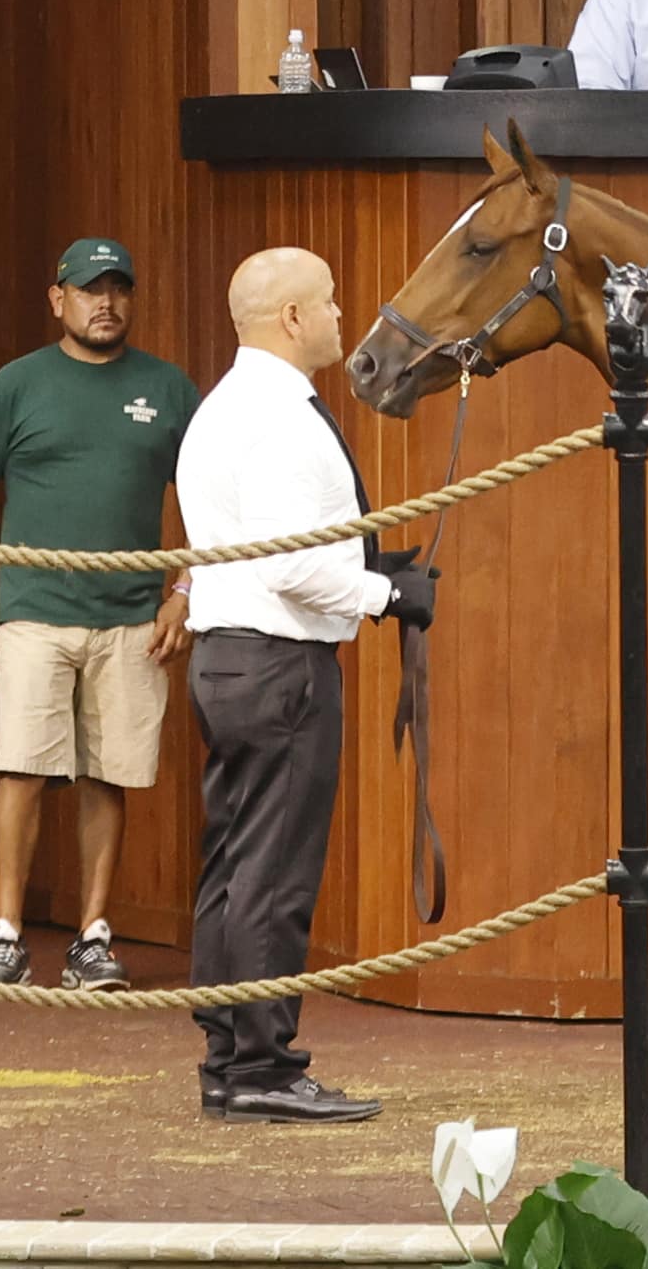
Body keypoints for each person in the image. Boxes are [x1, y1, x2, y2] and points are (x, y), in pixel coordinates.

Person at [176, 246, 436, 1125]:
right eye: (328, 302)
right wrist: (385, 593)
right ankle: (263, 1066)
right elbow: (291, 570)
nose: (339, 316)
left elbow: (281, 549)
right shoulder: (281, 419)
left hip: (229, 656)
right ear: (291, 318)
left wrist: (366, 566)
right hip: (278, 662)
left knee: (233, 864)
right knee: (274, 873)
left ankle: (229, 1054)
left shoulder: (223, 407)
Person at [0, 238, 198, 992]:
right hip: (35, 615)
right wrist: (8, 581)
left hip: (131, 616)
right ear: (57, 298)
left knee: (106, 774)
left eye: (119, 288)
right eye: (90, 289)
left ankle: (93, 937)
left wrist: (182, 591)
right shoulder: (17, 384)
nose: (106, 302)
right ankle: (7, 934)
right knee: (22, 765)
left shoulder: (167, 386)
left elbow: (204, 498)